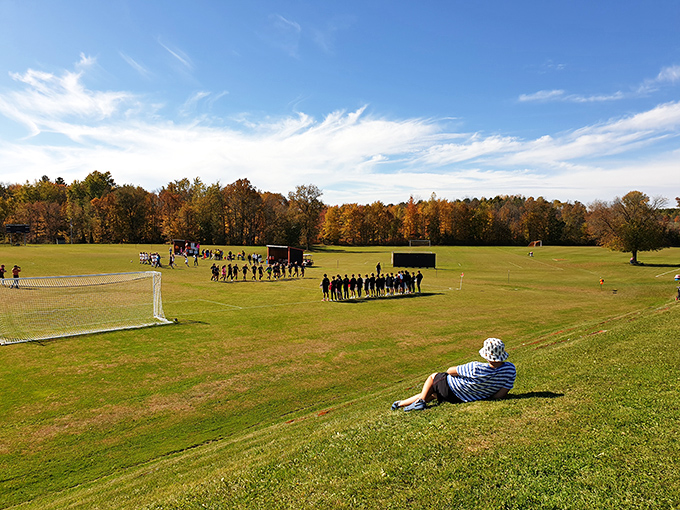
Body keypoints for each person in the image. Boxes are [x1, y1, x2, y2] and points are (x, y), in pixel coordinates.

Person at [391, 338, 516, 412]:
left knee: (433, 377)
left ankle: (421, 401)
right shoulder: (510, 370)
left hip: (451, 388)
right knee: (434, 393)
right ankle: (400, 404)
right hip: (462, 398)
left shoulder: (476, 367)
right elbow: (499, 395)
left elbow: (450, 371)